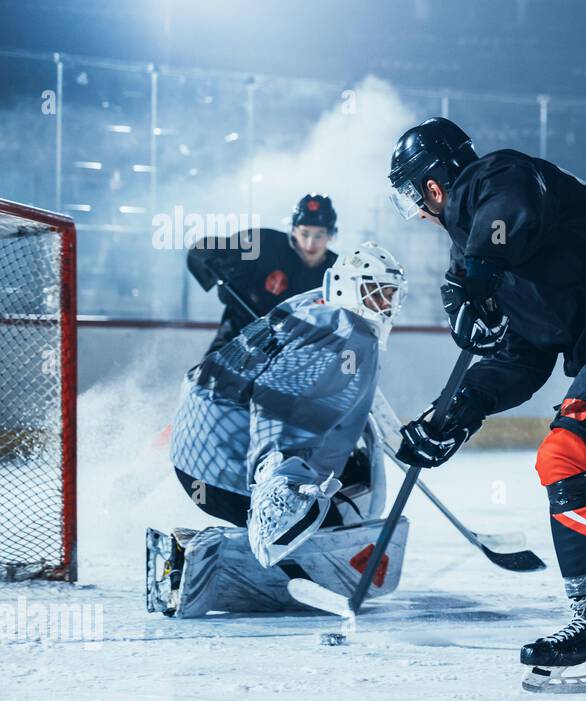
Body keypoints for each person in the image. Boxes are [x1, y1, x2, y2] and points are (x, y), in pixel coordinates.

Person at [386, 117, 586, 692]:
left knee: (567, 457)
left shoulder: (497, 178)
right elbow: (524, 354)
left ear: (433, 187)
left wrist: (476, 275)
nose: (419, 212)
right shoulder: (488, 250)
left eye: (414, 198)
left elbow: (509, 206)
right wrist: (455, 414)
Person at [150, 243, 409, 618]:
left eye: (390, 294)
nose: (386, 304)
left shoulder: (315, 306)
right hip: (223, 468)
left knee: (338, 470)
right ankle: (210, 558)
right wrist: (281, 481)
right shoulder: (347, 335)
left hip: (195, 457)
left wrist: (398, 436)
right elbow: (281, 402)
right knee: (339, 505)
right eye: (376, 291)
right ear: (348, 286)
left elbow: (330, 382)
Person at [186, 193, 339, 355]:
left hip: (296, 353)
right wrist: (211, 254)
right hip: (240, 334)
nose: (310, 243)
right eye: (305, 234)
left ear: (330, 234)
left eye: (319, 235)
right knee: (211, 377)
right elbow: (205, 249)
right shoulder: (265, 244)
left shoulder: (338, 271)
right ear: (293, 230)